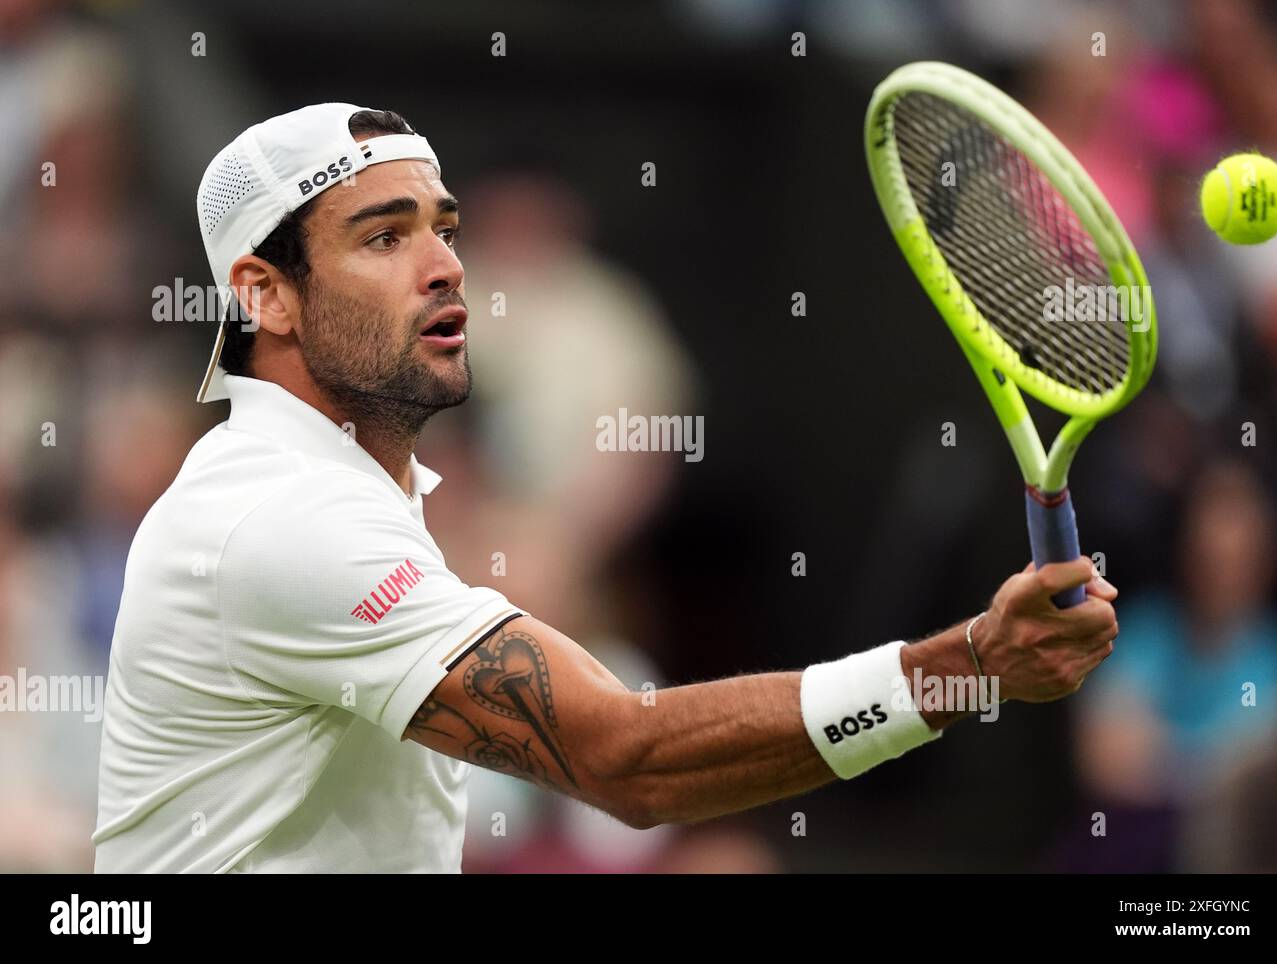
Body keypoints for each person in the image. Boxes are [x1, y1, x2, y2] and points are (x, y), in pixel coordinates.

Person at [92, 104, 1118, 873]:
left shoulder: (344, 493)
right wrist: (970, 662)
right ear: (262, 294)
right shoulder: (280, 518)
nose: (446, 266)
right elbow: (628, 758)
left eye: (445, 227)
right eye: (384, 236)